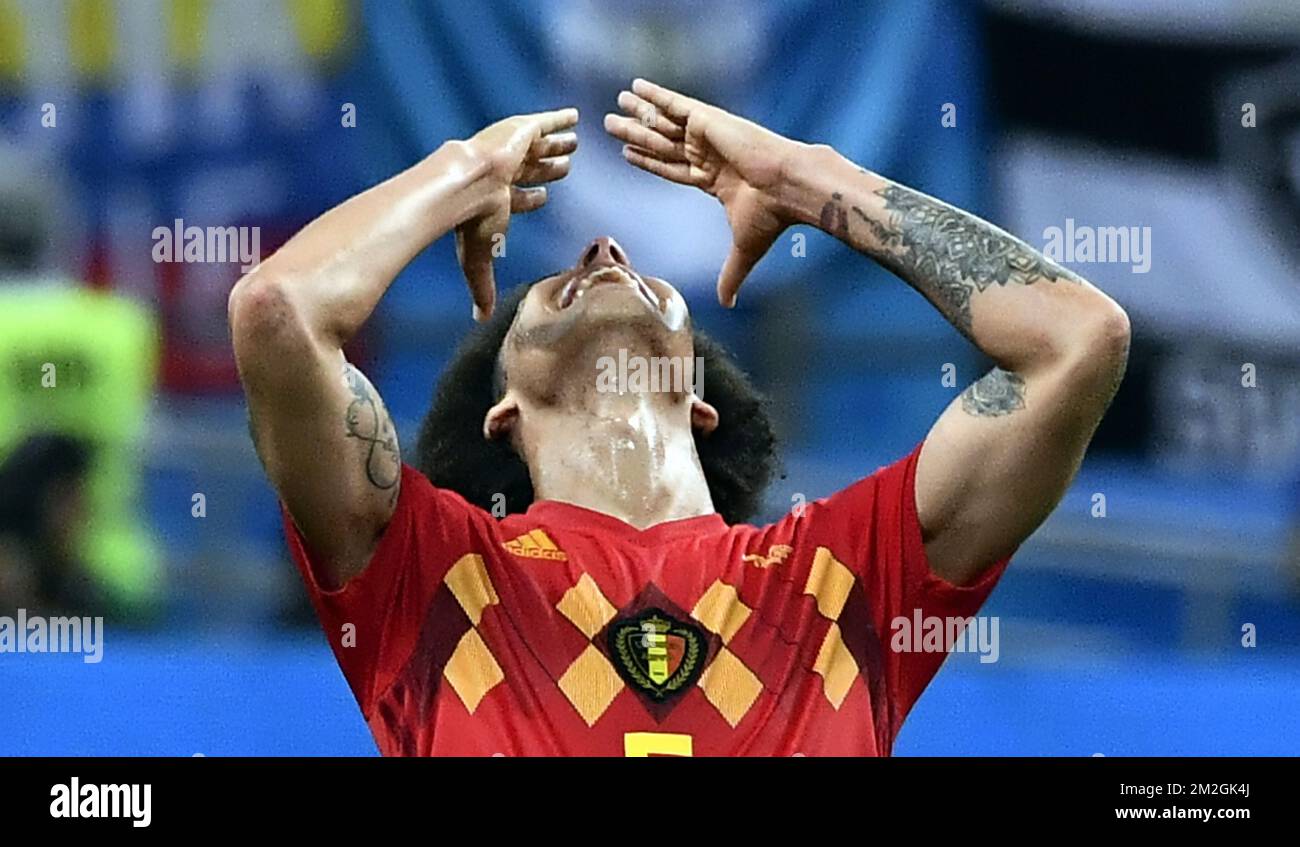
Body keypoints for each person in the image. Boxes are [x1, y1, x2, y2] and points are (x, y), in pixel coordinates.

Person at [228, 79, 1129, 756]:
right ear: (500, 411)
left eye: (629, 262)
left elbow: (1077, 340)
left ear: (700, 398)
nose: (605, 248)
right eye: (546, 291)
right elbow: (278, 312)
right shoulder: (433, 580)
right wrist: (460, 172)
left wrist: (808, 177)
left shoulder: (841, 579)